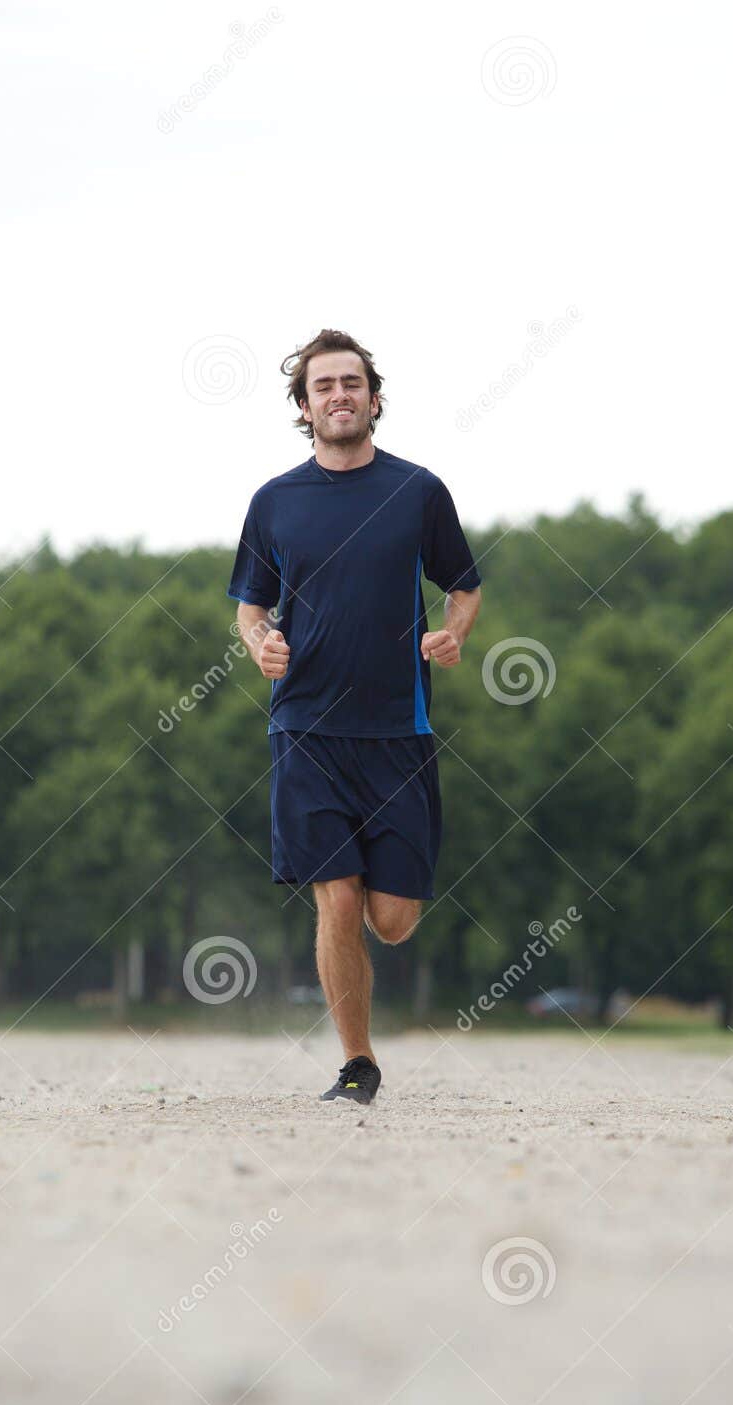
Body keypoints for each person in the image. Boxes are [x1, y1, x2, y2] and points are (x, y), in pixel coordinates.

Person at [228, 328, 482, 1105]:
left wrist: (453, 633)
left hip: (398, 732)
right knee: (335, 895)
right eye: (323, 386)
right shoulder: (275, 502)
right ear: (304, 407)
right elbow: (249, 609)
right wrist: (261, 646)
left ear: (373, 398)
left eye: (351, 382)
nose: (338, 394)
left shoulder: (418, 492)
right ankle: (357, 1064)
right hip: (305, 729)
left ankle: (382, 921)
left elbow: (463, 585)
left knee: (392, 920)